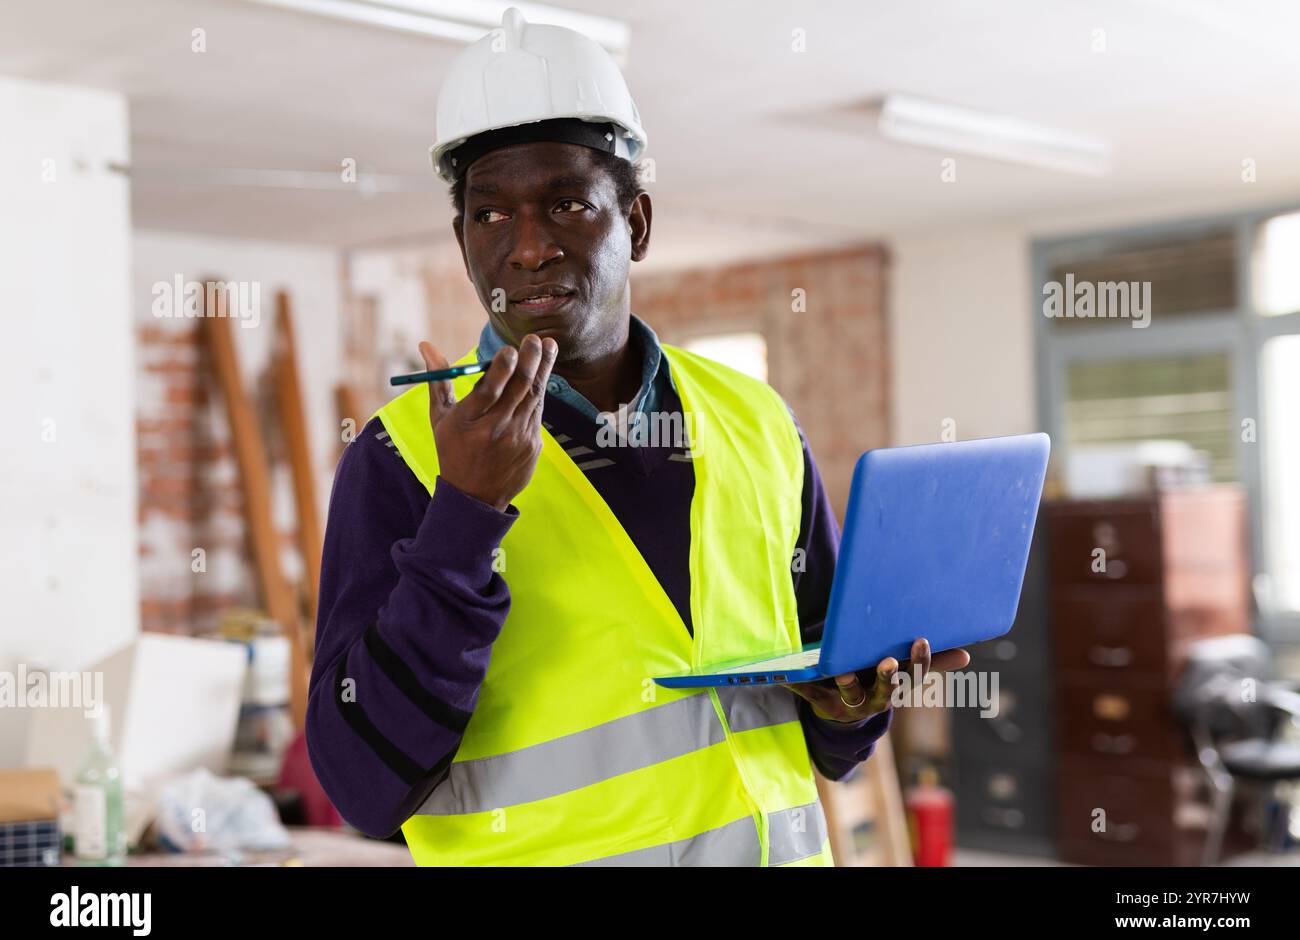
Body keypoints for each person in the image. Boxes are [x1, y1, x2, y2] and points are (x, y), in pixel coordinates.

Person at [305, 7, 969, 867]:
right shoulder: (403, 457)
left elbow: (820, 719)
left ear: (638, 225)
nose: (529, 248)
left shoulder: (756, 421)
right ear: (463, 241)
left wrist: (852, 702)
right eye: (489, 215)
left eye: (568, 204)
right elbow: (360, 784)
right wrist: (465, 514)